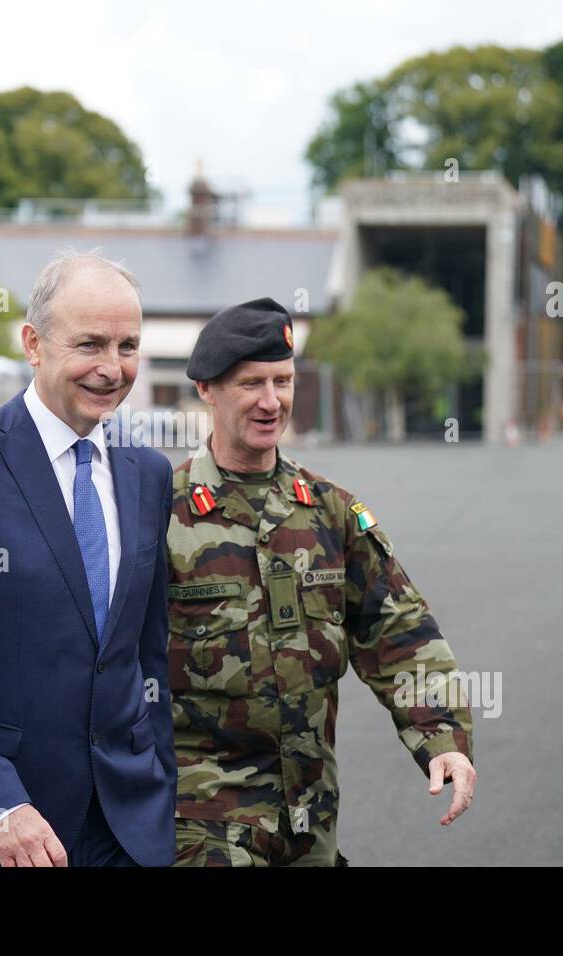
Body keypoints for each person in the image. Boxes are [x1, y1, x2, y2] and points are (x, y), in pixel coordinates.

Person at [166, 298, 476, 866]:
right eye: (250, 383)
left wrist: (442, 738)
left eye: (282, 381)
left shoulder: (330, 512)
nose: (271, 401)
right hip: (201, 821)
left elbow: (400, 632)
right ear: (207, 390)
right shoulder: (161, 514)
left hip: (309, 816)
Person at [0, 251, 176, 867]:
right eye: (90, 344)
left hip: (126, 826)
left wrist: (161, 783)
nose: (111, 367)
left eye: (128, 346)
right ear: (33, 344)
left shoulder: (148, 472)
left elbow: (147, 653)